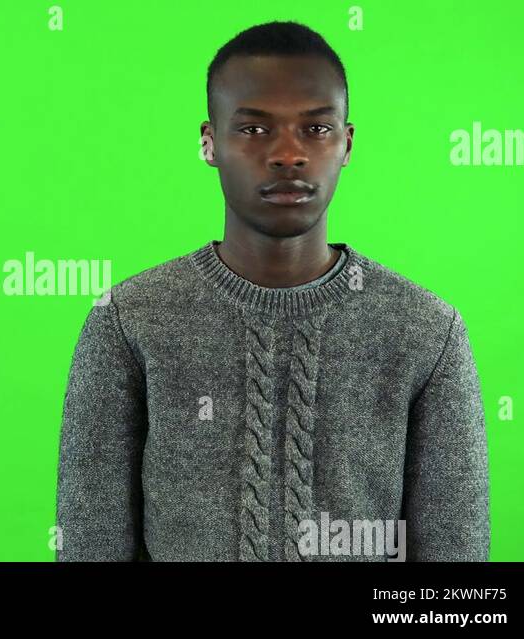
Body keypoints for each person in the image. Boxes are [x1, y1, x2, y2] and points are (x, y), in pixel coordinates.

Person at [54, 20, 490, 562]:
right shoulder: (128, 320)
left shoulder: (429, 332)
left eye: (316, 128)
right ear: (209, 143)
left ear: (347, 143)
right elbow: (91, 543)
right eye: (256, 130)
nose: (288, 154)